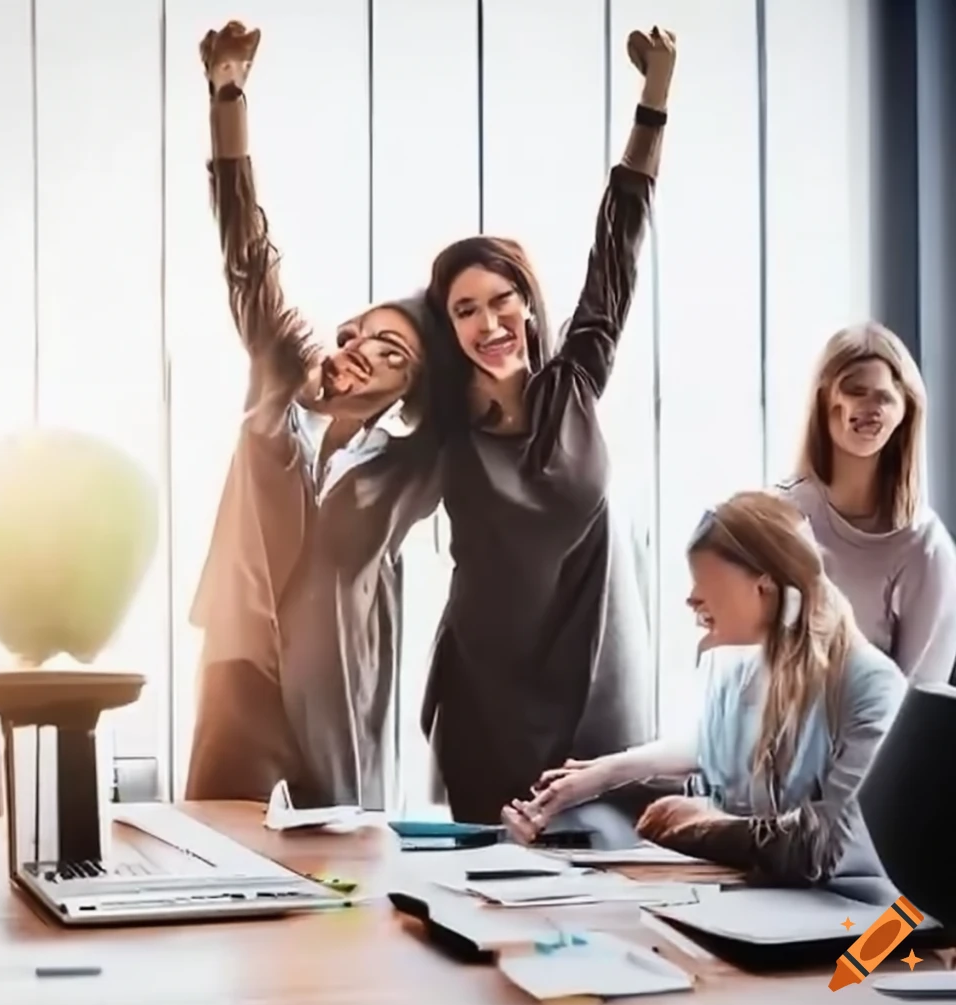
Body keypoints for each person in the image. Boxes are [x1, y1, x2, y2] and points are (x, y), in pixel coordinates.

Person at [419, 28, 676, 824]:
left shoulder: (575, 386)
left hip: (593, 689)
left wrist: (655, 96)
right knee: (485, 908)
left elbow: (619, 244)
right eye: (466, 310)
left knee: (604, 884)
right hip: (481, 706)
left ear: (527, 304)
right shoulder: (442, 432)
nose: (489, 322)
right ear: (450, 327)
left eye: (501, 301)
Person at [184, 22, 442, 809]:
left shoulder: (409, 465)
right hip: (243, 676)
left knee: (335, 899)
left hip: (340, 701)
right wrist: (229, 101)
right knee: (224, 862)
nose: (367, 349)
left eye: (394, 354)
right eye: (363, 332)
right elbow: (248, 261)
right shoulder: (280, 391)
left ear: (408, 393)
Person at [503, 492, 906, 885]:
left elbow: (834, 845)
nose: (691, 597)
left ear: (763, 588)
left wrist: (699, 827)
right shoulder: (738, 665)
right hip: (768, 902)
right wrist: (601, 777)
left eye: (704, 580)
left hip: (875, 921)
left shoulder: (872, 687)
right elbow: (714, 753)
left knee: (857, 957)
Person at [779, 322, 956, 684]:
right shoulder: (777, 517)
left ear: (906, 408)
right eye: (854, 390)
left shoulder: (926, 547)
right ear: (823, 399)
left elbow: (917, 703)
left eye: (884, 396)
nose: (868, 408)